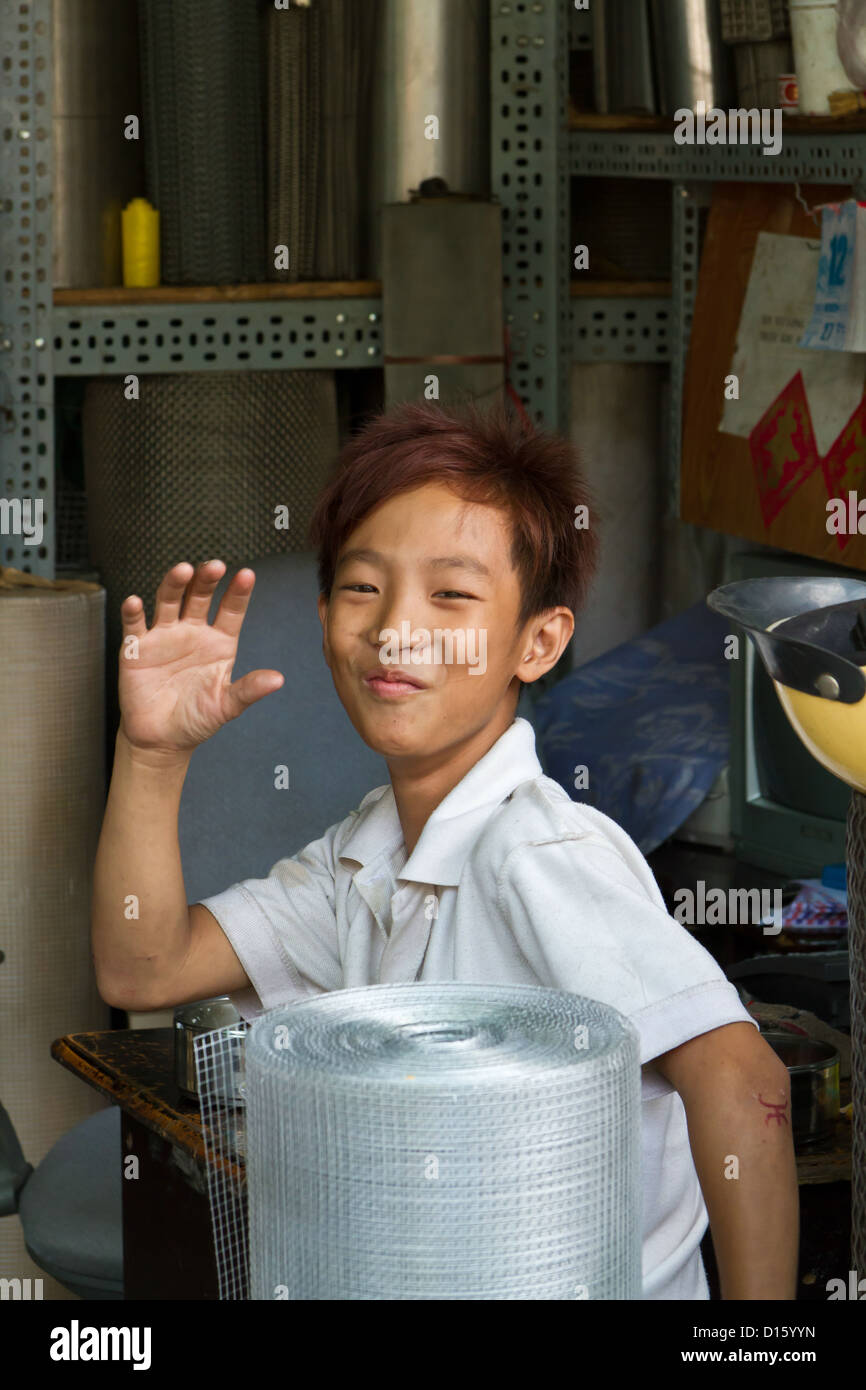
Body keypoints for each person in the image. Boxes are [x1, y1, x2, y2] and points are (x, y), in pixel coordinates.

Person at [91, 396, 799, 1300]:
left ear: (538, 642)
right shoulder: (365, 857)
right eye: (362, 587)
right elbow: (142, 969)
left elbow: (744, 1083)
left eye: (453, 595)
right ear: (322, 615)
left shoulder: (536, 853)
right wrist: (151, 755)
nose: (396, 631)